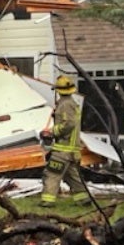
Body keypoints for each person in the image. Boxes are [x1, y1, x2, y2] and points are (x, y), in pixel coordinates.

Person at [40, 75, 90, 207]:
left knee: (52, 174)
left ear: (58, 90)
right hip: (71, 149)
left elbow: (69, 124)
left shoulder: (65, 104)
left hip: (63, 148)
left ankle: (47, 201)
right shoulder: (70, 103)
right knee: (72, 176)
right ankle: (83, 199)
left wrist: (53, 131)